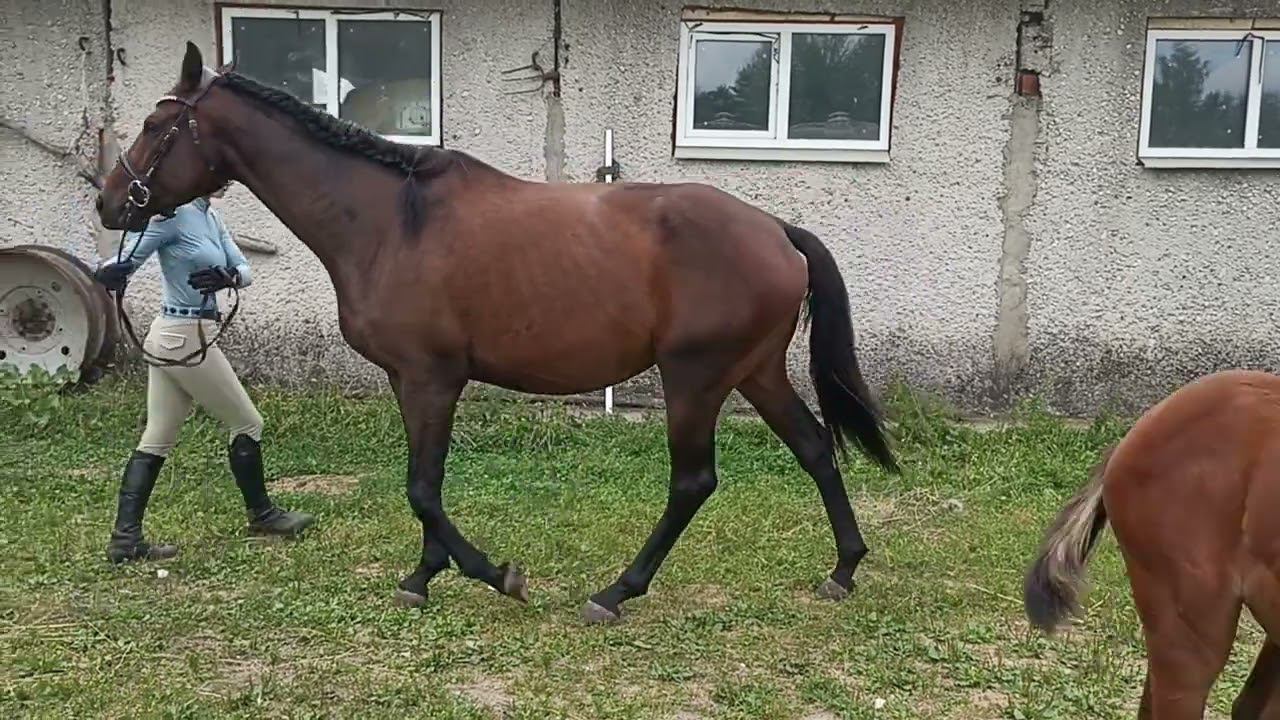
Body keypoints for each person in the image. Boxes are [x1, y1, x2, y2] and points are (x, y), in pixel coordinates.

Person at [93, 184, 314, 564]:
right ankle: (262, 515)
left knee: (158, 436)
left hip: (187, 335)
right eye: (216, 174)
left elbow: (245, 270)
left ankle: (124, 540)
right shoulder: (170, 219)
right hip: (183, 338)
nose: (224, 181)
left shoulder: (210, 215)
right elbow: (122, 262)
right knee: (248, 422)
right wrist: (110, 274)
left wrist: (229, 276)